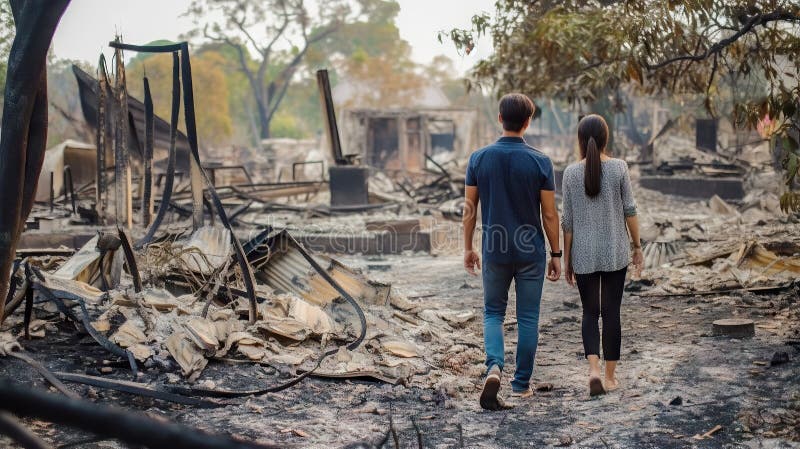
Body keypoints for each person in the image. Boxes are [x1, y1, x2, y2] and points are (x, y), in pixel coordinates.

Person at [463, 93, 562, 410]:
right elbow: (549, 214)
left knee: (493, 312)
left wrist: (468, 247)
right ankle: (520, 385)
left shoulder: (478, 158)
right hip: (530, 248)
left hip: (494, 246)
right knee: (528, 317)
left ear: (499, 118)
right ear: (528, 121)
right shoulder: (540, 161)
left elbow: (469, 210)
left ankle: (493, 367)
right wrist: (556, 253)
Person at [560, 114, 643, 397]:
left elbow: (567, 222)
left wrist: (567, 258)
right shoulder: (619, 168)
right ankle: (609, 378)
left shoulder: (570, 173)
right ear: (607, 138)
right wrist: (638, 247)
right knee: (611, 314)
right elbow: (630, 210)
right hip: (615, 252)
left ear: (580, 141)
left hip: (583, 254)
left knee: (589, 313)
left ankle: (593, 370)